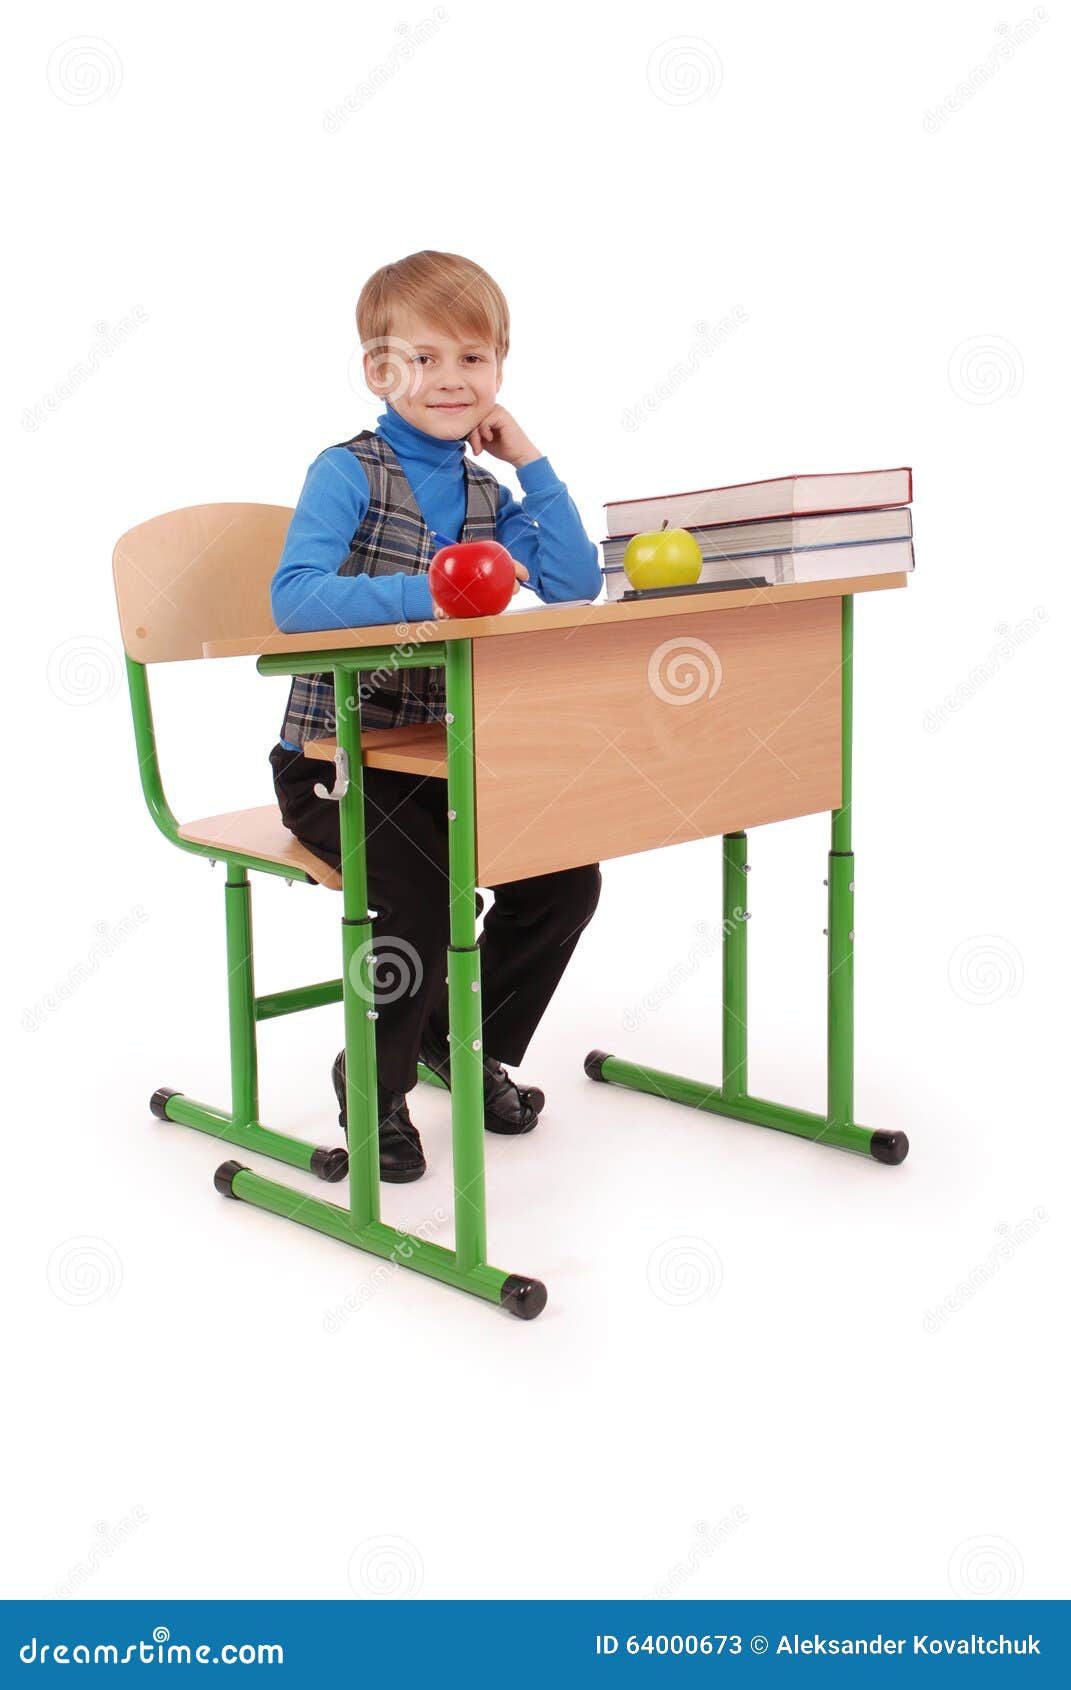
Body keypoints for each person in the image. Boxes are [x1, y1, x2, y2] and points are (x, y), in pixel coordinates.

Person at [269, 249, 603, 1182]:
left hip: (443, 758)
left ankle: (458, 1043)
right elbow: (295, 599)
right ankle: (372, 1082)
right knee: (418, 897)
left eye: (472, 359)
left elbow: (574, 584)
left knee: (565, 878)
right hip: (338, 763)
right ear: (380, 371)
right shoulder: (347, 472)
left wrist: (529, 460)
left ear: (500, 371)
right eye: (422, 359)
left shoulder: (490, 495)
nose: (449, 380)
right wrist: (436, 589)